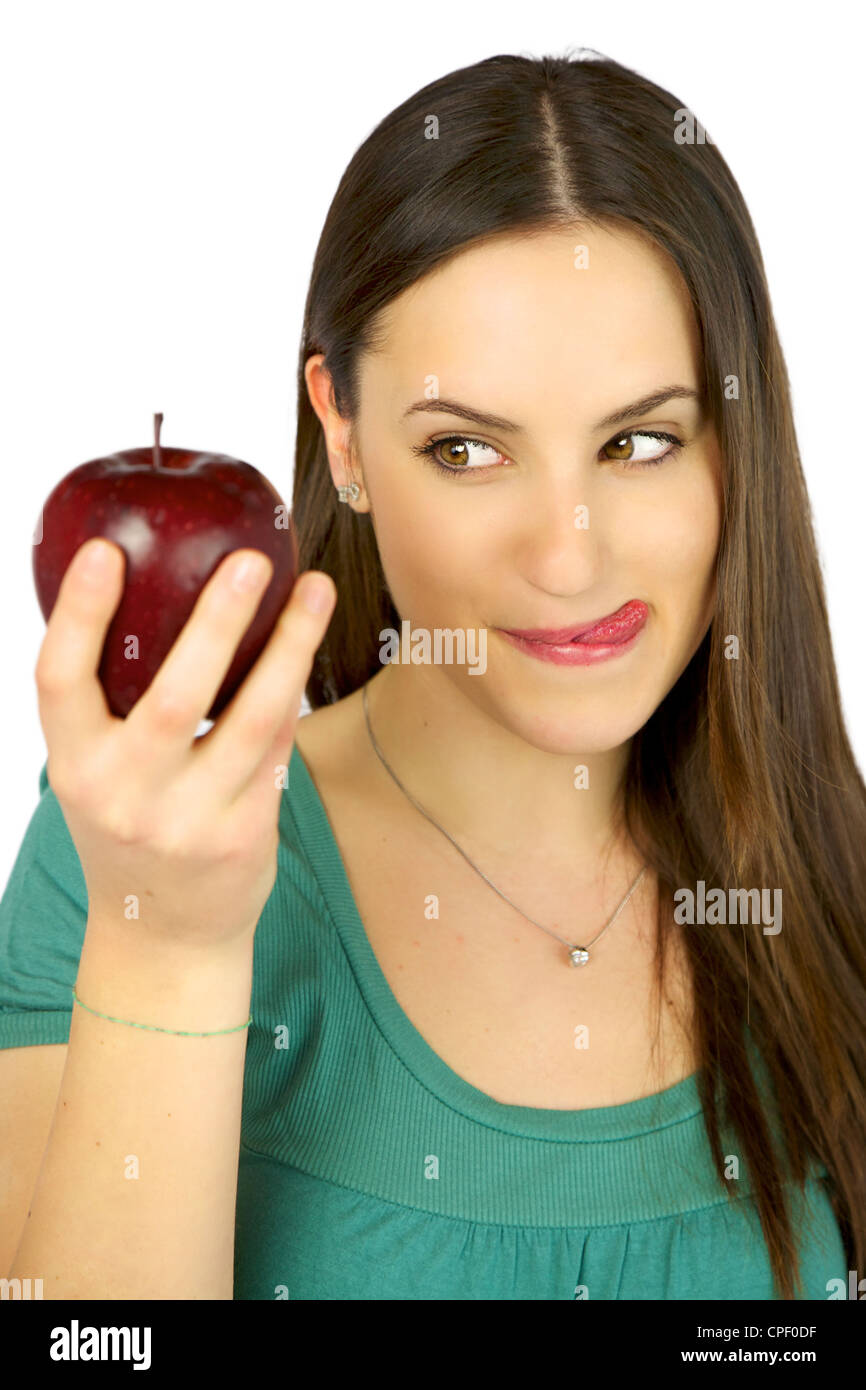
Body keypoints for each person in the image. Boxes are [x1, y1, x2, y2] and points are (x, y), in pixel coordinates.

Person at [1, 49, 864, 1302]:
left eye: (638, 441)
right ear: (342, 434)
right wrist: (174, 950)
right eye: (464, 449)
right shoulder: (137, 852)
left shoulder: (829, 886)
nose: (567, 558)